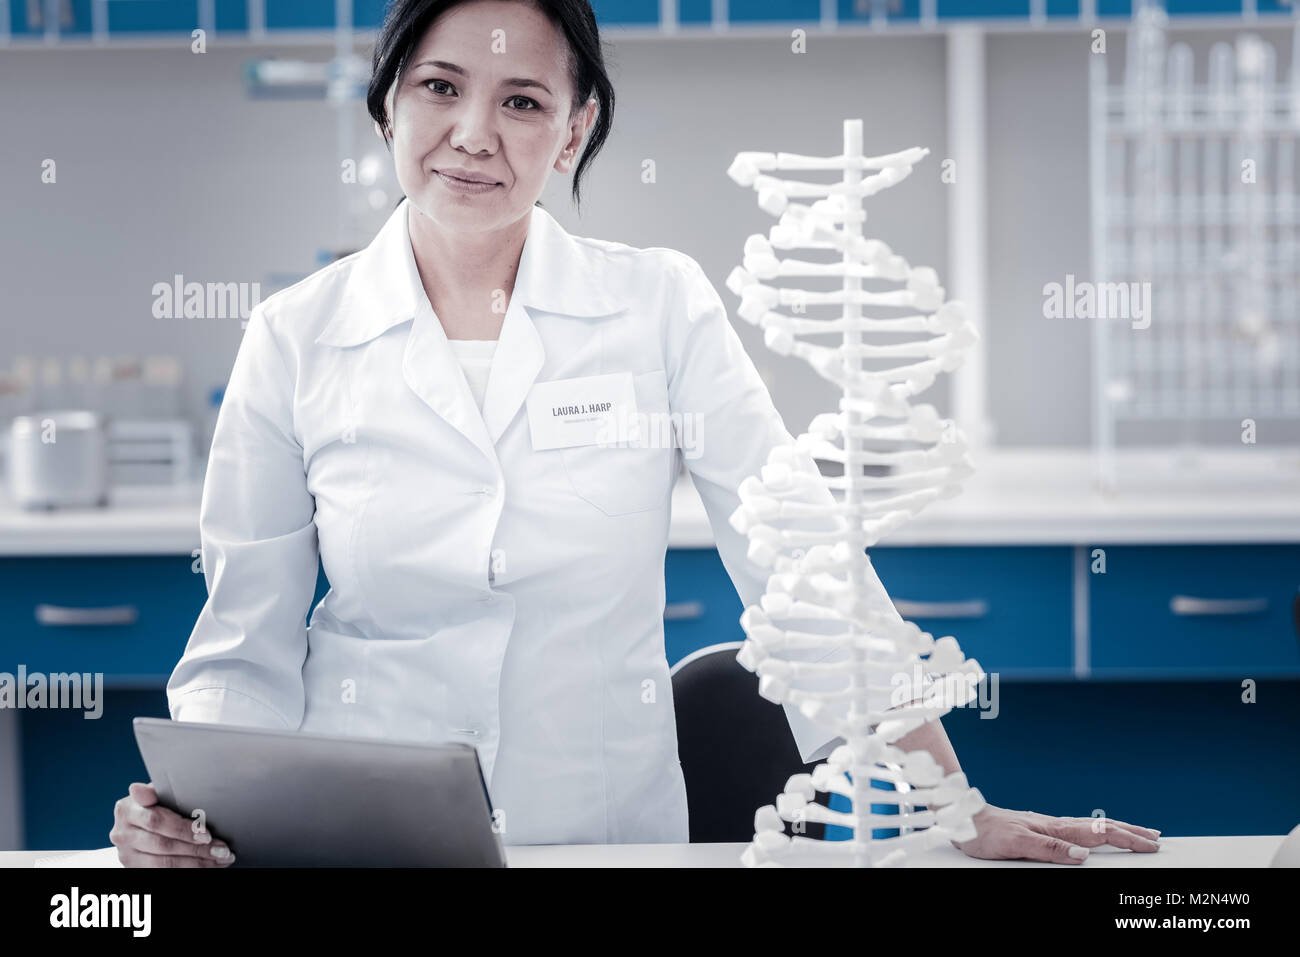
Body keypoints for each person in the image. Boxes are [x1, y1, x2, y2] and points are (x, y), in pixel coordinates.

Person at [111, 0, 1160, 866]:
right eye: (439, 87)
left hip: (601, 841)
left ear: (572, 130)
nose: (474, 132)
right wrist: (191, 808)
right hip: (362, 845)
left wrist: (943, 803)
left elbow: (797, 562)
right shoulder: (295, 336)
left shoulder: (657, 306)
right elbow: (244, 643)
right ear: (387, 106)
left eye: (522, 100)